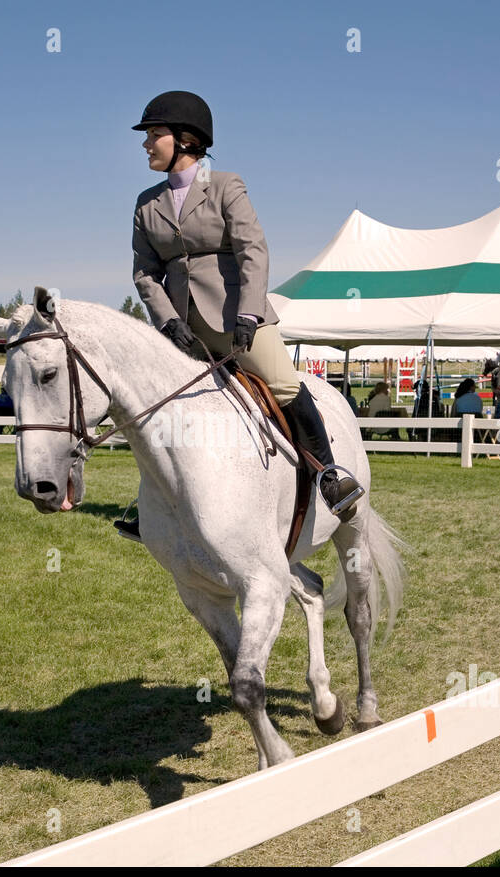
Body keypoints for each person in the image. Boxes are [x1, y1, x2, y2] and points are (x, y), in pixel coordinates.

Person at [122, 90, 364, 541]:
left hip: (239, 319)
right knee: (157, 403)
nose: (146, 143)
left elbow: (253, 251)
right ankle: (153, 502)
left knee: (285, 384)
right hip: (182, 328)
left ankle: (330, 475)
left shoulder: (227, 186)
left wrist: (250, 314)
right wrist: (168, 321)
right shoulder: (145, 203)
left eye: (154, 134)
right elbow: (144, 271)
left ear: (186, 140)